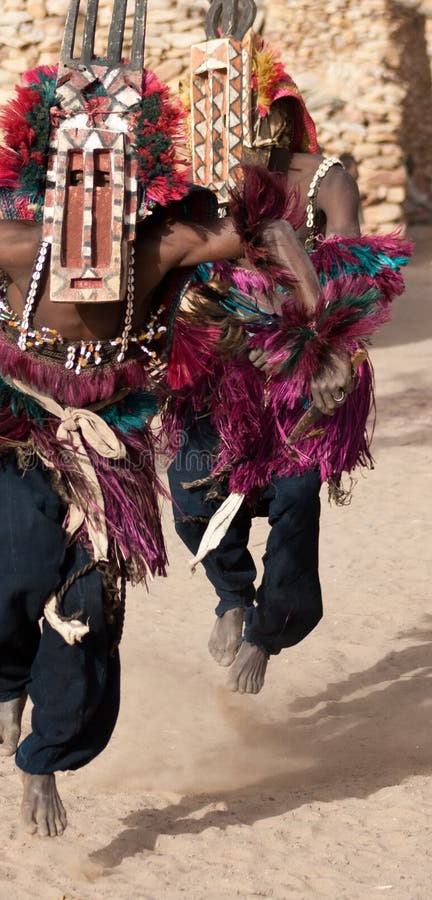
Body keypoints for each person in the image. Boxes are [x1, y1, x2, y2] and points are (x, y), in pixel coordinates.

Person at [0, 37, 321, 836]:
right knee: (14, 562)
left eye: (110, 185)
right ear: (49, 184)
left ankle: (49, 756)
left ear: (137, 189)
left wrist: (317, 321)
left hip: (110, 445)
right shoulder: (14, 245)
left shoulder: (164, 247)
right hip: (10, 426)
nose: (90, 205)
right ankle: (4, 679)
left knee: (89, 617)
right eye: (75, 184)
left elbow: (267, 231)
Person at [165, 32, 413, 695]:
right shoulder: (199, 184)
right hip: (220, 375)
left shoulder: (326, 178)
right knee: (191, 487)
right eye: (209, 101)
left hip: (305, 372)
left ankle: (271, 632)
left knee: (297, 495)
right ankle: (231, 596)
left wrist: (311, 327)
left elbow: (355, 274)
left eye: (235, 103)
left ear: (270, 108)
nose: (220, 117)